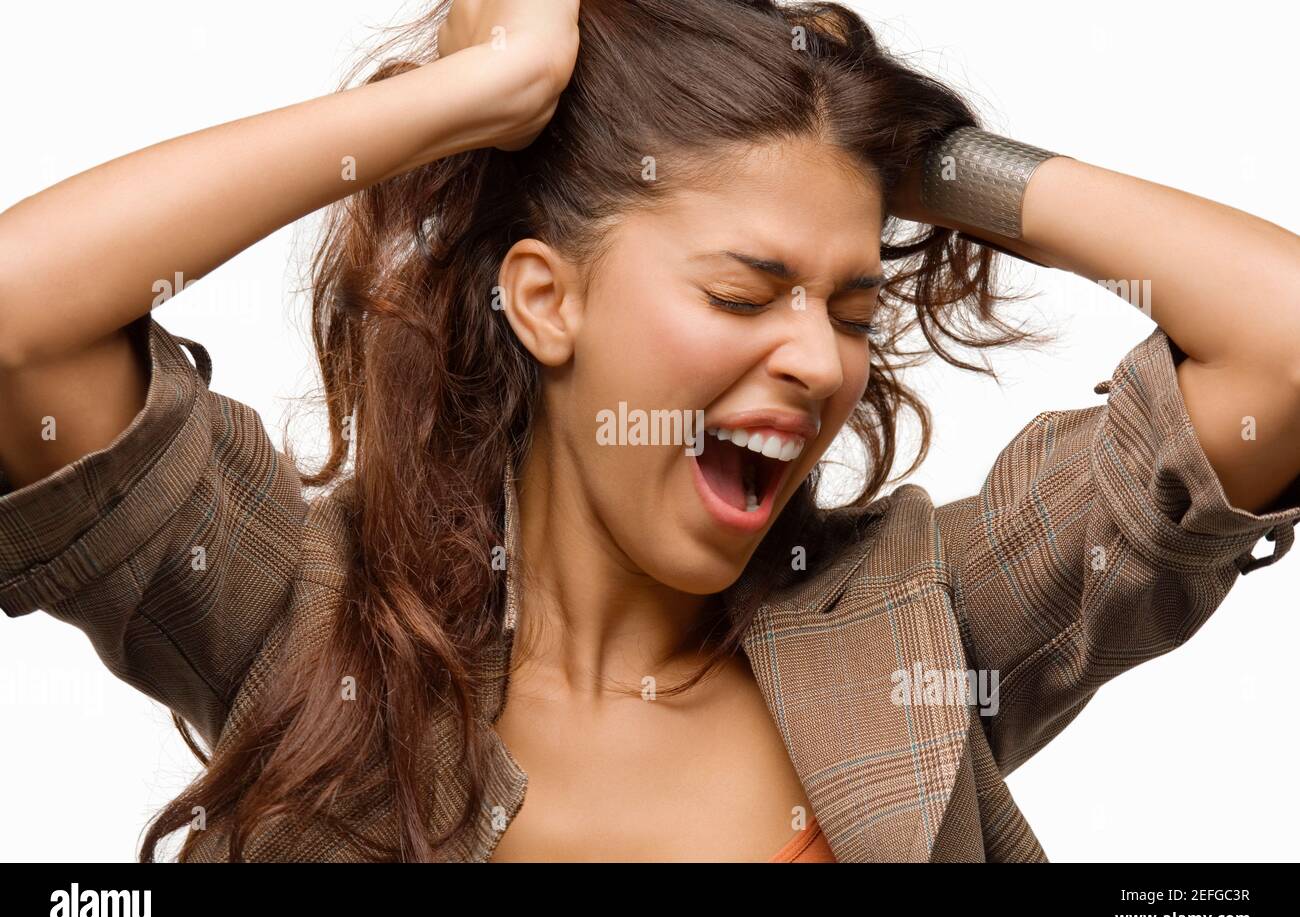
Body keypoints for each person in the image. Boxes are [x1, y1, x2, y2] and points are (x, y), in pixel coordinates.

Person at [1, 0, 1297, 862]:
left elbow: (1282, 344)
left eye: (849, 308)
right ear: (545, 300)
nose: (818, 359)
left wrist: (921, 155)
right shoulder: (304, 621)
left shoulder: (922, 626)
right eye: (743, 289)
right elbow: (20, 326)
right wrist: (478, 96)